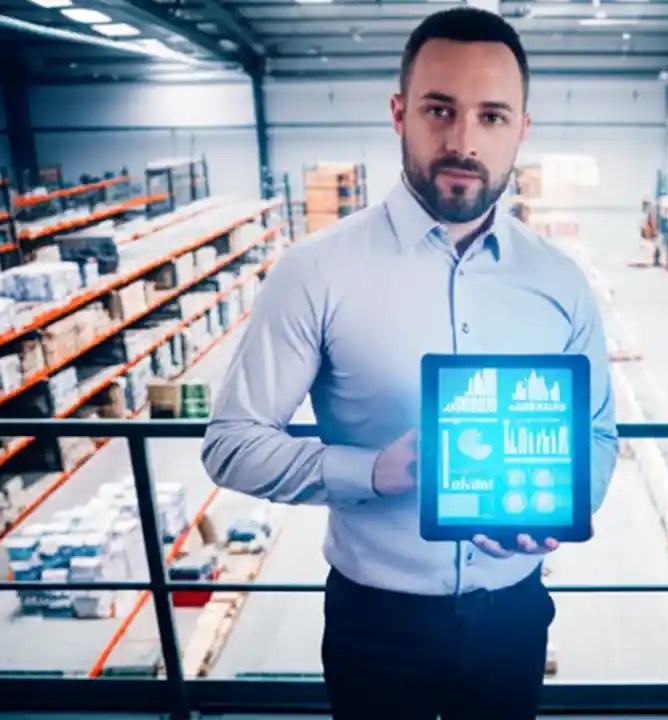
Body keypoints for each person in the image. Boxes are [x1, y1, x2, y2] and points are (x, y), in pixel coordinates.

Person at [202, 7, 619, 719]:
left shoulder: (560, 281)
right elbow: (231, 444)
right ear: (399, 113)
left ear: (522, 129)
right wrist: (370, 472)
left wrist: (563, 505)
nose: (462, 140)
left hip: (513, 615)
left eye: (491, 117)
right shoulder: (315, 272)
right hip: (376, 625)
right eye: (439, 110)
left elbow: (600, 437)